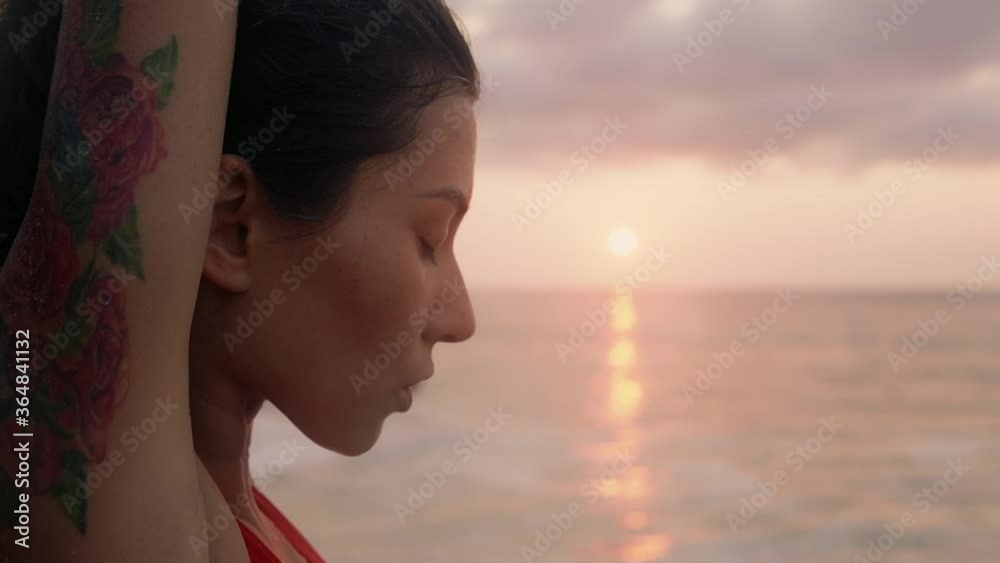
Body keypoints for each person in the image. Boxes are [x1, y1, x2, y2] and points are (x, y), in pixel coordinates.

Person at [0, 0, 480, 561]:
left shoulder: (240, 516)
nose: (460, 320)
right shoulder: (128, 518)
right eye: (429, 239)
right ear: (230, 228)